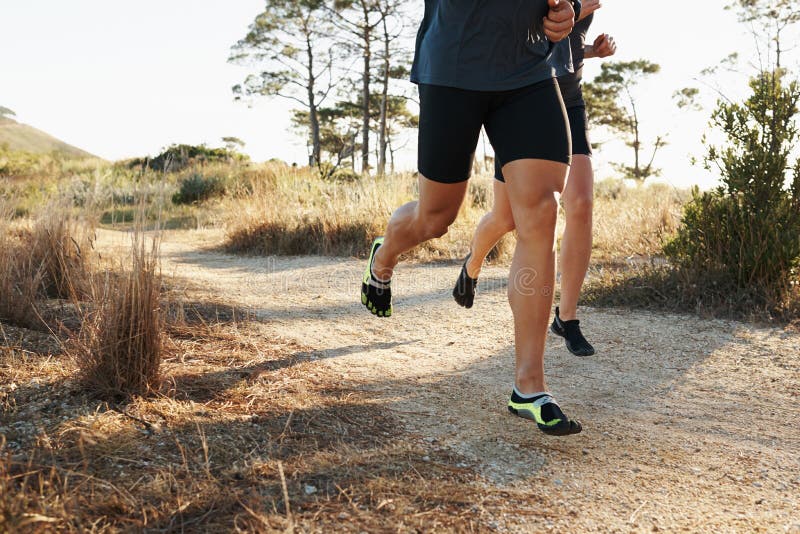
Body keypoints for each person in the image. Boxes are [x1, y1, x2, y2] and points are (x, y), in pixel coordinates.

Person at [361, 0, 596, 436]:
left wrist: (568, 8)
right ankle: (384, 256)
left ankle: (529, 387)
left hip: (528, 70)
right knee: (436, 216)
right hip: (454, 66)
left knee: (542, 211)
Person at [453, 5, 617, 358]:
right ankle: (473, 264)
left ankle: (567, 317)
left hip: (569, 102)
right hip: (525, 101)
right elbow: (521, 35)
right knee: (506, 217)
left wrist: (594, 51)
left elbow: (565, 46)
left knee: (582, 203)